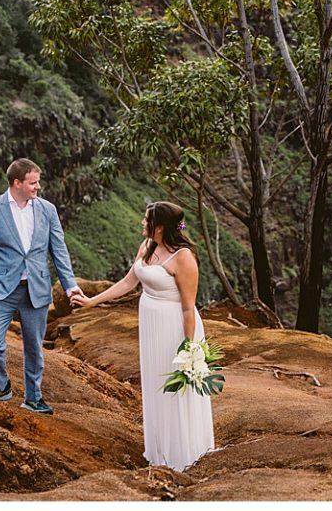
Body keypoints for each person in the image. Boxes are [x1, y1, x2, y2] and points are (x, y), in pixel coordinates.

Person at [71, 201, 216, 472]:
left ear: (159, 227)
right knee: (155, 384)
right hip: (151, 324)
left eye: (146, 220)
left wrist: (189, 347)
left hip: (173, 325)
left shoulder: (183, 257)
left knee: (174, 387)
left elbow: (188, 306)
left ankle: (182, 455)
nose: (141, 223)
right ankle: (159, 451)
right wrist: (92, 301)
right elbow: (128, 282)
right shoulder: (148, 246)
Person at [0, 158, 81, 415]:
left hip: (36, 288)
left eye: (37, 182)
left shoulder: (48, 210)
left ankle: (33, 398)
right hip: (1, 289)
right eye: (33, 182)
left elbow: (59, 250)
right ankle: (1, 385)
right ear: (17, 183)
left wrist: (70, 285)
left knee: (34, 348)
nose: (38, 187)